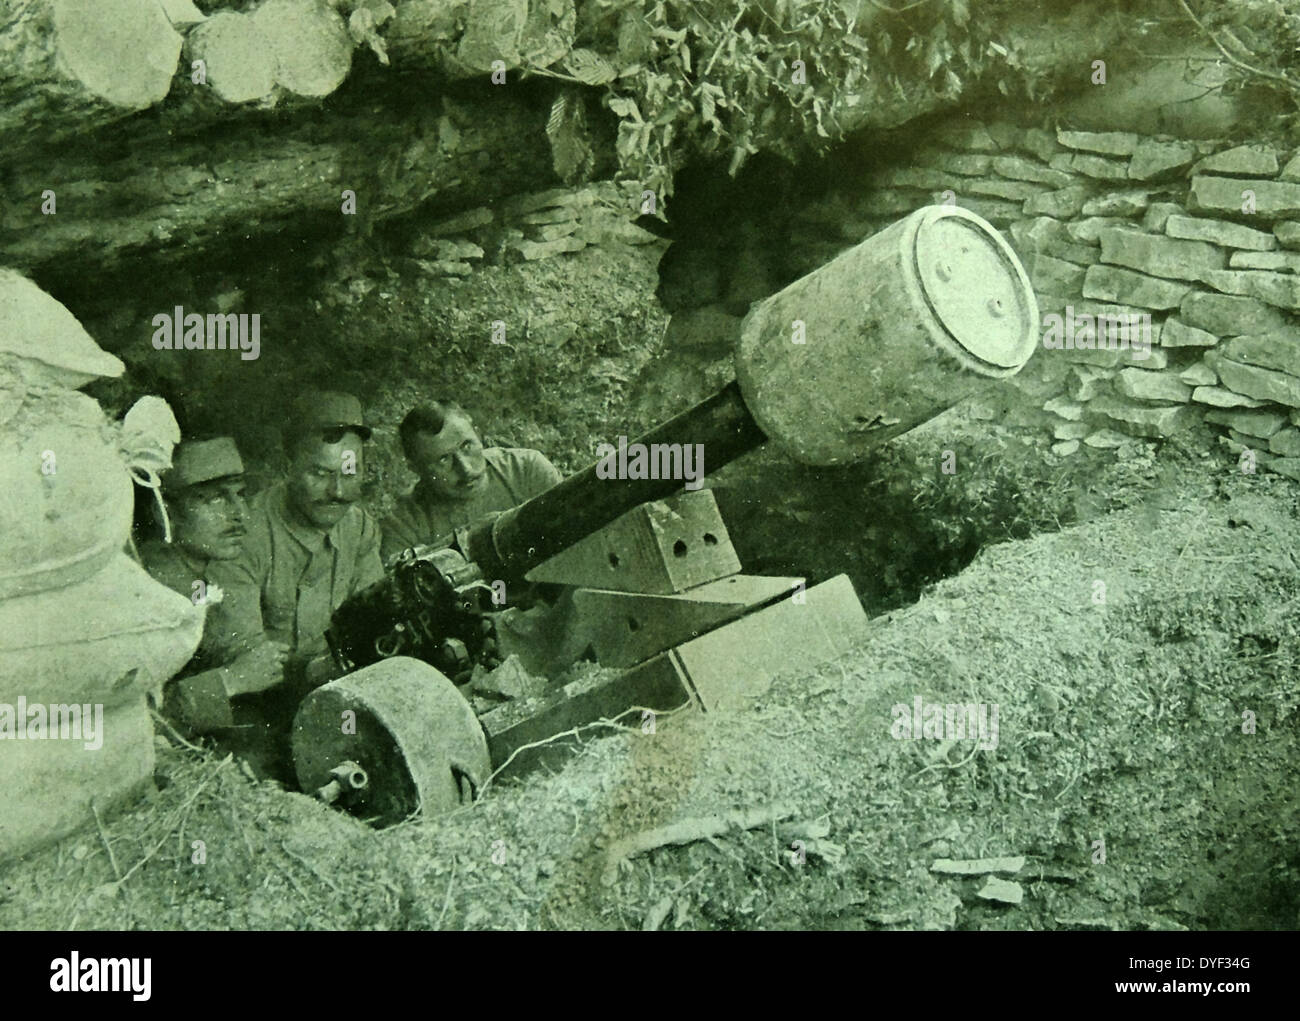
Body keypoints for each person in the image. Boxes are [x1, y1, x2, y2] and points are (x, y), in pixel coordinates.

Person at [206, 391, 384, 777]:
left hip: (333, 685)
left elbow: (375, 615)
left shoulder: (360, 527)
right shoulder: (245, 536)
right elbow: (247, 663)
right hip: (260, 705)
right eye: (320, 474)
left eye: (349, 473)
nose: (337, 491)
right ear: (288, 466)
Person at [139, 437, 288, 738]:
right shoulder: (150, 589)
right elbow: (134, 719)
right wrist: (230, 681)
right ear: (165, 512)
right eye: (215, 499)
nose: (239, 515)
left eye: (241, 495)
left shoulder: (204, 573)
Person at [381, 400, 562, 563]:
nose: (465, 469)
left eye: (467, 446)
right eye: (443, 460)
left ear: (478, 434)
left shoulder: (525, 470)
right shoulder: (403, 525)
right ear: (416, 469)